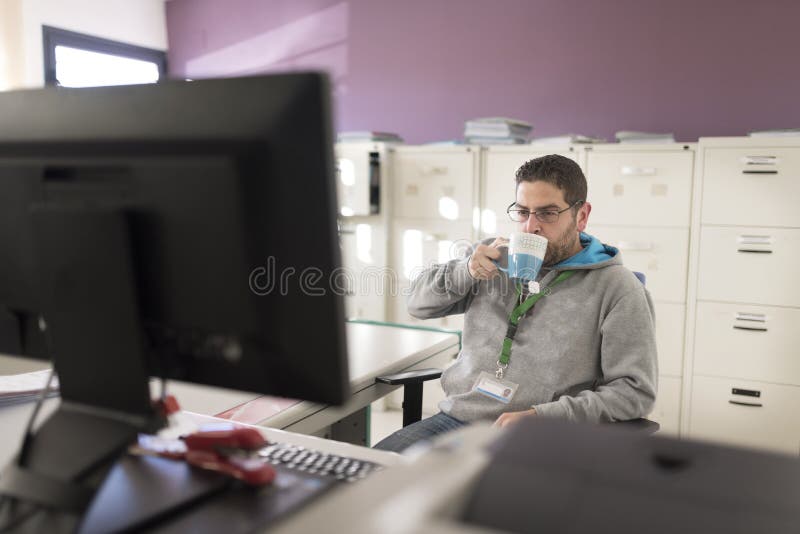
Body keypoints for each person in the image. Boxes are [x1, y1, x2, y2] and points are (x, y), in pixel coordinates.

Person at [374, 154, 657, 452]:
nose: (530, 227)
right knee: (370, 474)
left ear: (581, 216)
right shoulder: (490, 259)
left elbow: (634, 393)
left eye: (547, 213)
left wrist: (542, 417)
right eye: (522, 212)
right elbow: (418, 305)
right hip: (457, 421)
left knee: (480, 497)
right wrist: (466, 271)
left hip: (545, 434)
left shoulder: (617, 288)